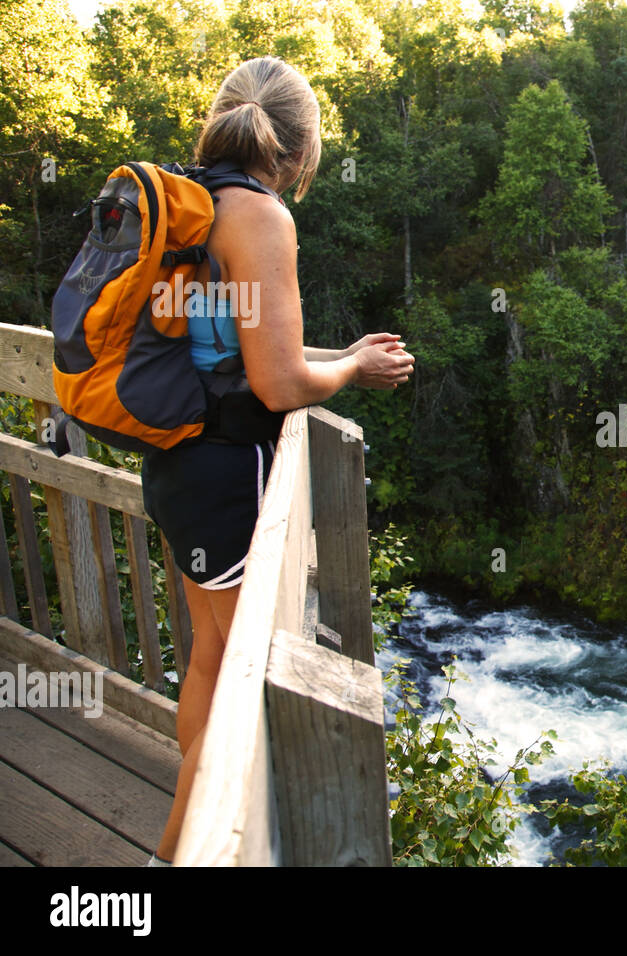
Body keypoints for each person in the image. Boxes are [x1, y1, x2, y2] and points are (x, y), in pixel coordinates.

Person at [145, 56, 414, 865]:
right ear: (300, 151)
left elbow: (240, 354)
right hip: (227, 481)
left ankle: (171, 841)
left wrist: (344, 352)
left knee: (207, 659)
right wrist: (355, 371)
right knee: (234, 692)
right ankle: (171, 858)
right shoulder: (261, 215)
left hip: (179, 465)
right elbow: (282, 380)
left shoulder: (198, 199)